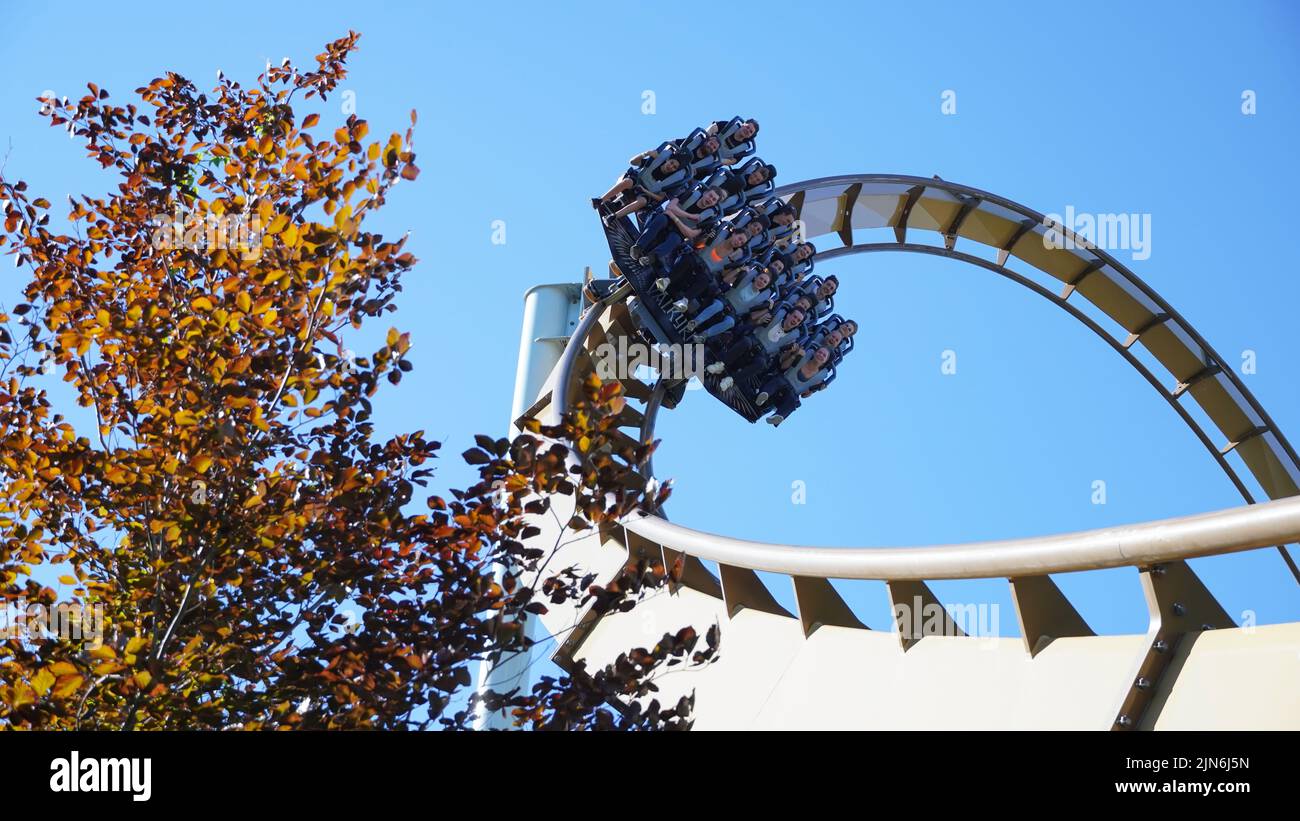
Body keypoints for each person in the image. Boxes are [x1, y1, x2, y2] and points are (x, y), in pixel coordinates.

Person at [711, 304, 808, 392]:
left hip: (764, 353)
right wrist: (759, 321)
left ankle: (731, 380)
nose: (795, 321)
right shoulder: (776, 316)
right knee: (746, 341)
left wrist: (791, 353)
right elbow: (753, 321)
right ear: (788, 315)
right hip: (755, 339)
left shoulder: (793, 338)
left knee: (761, 363)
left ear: (799, 324)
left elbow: (781, 358)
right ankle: (720, 365)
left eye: (798, 320)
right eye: (794, 317)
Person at [593, 144, 693, 221]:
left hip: (645, 193)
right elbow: (632, 162)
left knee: (643, 201)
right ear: (668, 159)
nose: (671, 167)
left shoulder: (670, 180)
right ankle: (600, 200)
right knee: (628, 181)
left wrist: (645, 190)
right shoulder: (655, 161)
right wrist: (646, 153)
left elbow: (660, 197)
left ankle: (613, 217)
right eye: (671, 163)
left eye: (674, 167)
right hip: (635, 181)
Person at [631, 185, 725, 266]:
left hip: (678, 232)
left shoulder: (708, 218)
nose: (710, 200)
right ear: (705, 193)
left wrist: (674, 217)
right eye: (710, 196)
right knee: (661, 219)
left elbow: (691, 234)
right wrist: (690, 216)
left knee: (675, 240)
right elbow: (669, 207)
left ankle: (650, 258)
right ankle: (638, 247)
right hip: (667, 220)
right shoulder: (690, 194)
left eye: (714, 200)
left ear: (715, 204)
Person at [756, 346, 835, 426]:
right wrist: (795, 356)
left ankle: (778, 416)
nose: (820, 355)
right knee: (778, 381)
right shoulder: (804, 356)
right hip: (784, 380)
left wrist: (816, 389)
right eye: (819, 352)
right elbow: (783, 367)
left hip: (792, 392)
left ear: (825, 361)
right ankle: (763, 395)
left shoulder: (819, 378)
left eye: (824, 355)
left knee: (793, 401)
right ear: (815, 353)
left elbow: (804, 395)